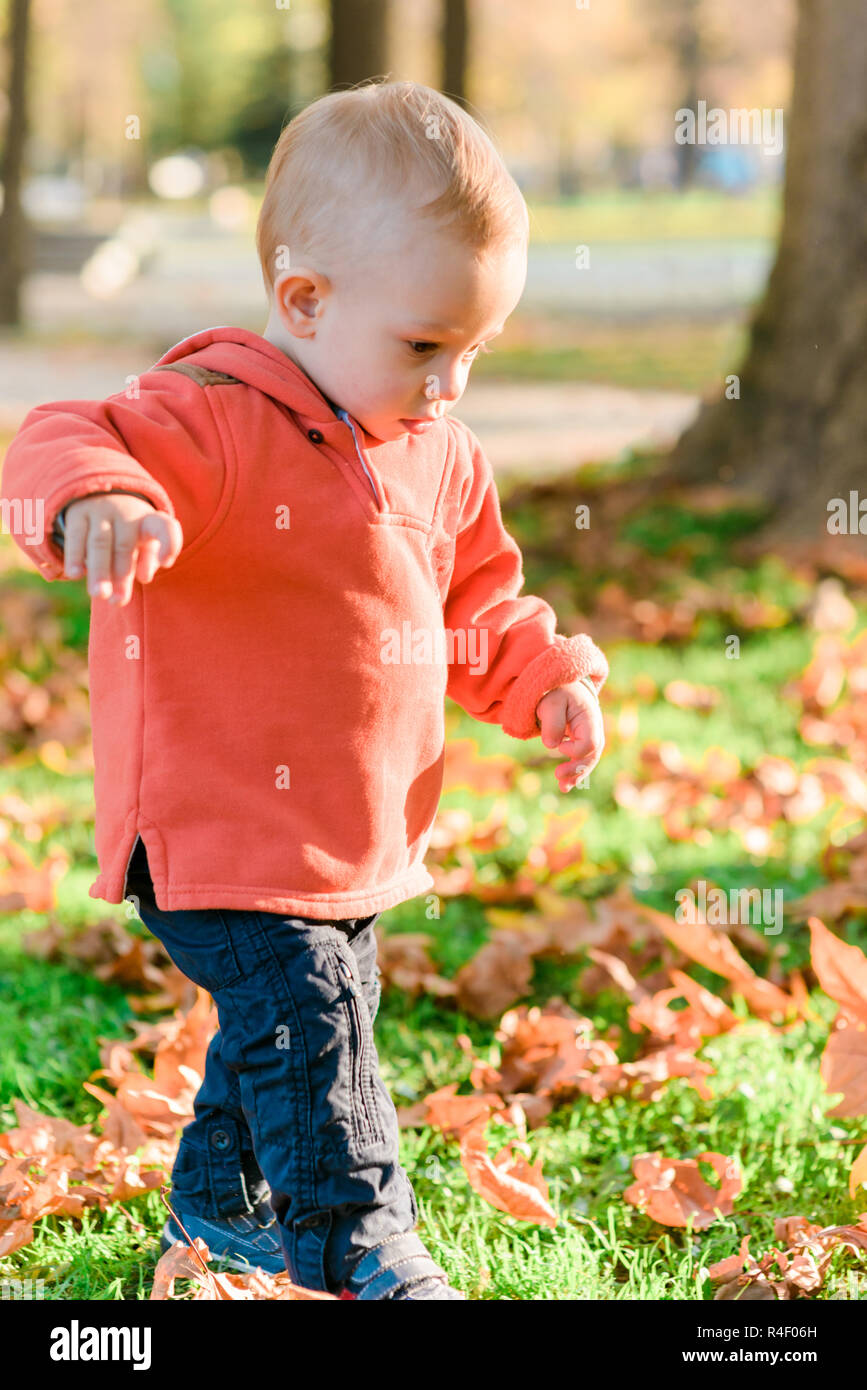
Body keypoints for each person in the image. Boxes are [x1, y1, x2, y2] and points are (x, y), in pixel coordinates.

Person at [1, 79, 608, 1300]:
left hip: (350, 836)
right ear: (305, 300)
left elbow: (476, 603)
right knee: (316, 1024)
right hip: (214, 832)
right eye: (426, 345)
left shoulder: (440, 451)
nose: (449, 385)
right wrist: (96, 499)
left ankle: (222, 1208)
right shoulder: (216, 421)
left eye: (476, 352)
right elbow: (58, 431)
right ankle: (357, 1248)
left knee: (287, 1027)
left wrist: (544, 676)